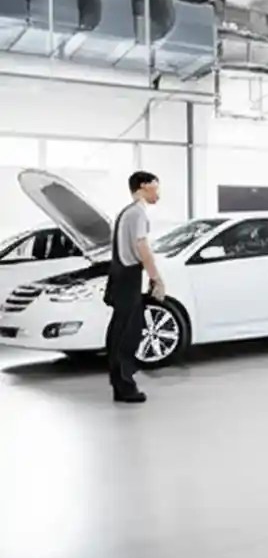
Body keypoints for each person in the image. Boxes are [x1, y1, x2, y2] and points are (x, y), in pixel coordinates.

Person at [103, 171, 164, 404]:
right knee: (128, 334)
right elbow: (142, 247)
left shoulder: (125, 213)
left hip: (119, 274)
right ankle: (125, 386)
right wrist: (156, 278)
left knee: (119, 331)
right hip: (129, 276)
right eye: (155, 187)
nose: (158, 193)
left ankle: (120, 384)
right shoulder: (138, 213)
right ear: (143, 186)